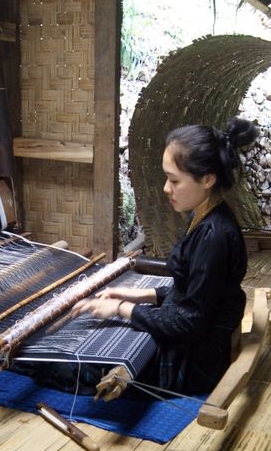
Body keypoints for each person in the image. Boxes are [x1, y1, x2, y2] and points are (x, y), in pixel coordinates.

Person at [70, 117, 259, 395]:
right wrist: (138, 296)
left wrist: (122, 310)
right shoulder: (206, 214)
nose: (165, 188)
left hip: (194, 360)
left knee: (75, 369)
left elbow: (189, 323)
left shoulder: (214, 236)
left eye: (174, 180)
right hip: (200, 336)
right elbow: (198, 291)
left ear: (207, 179)